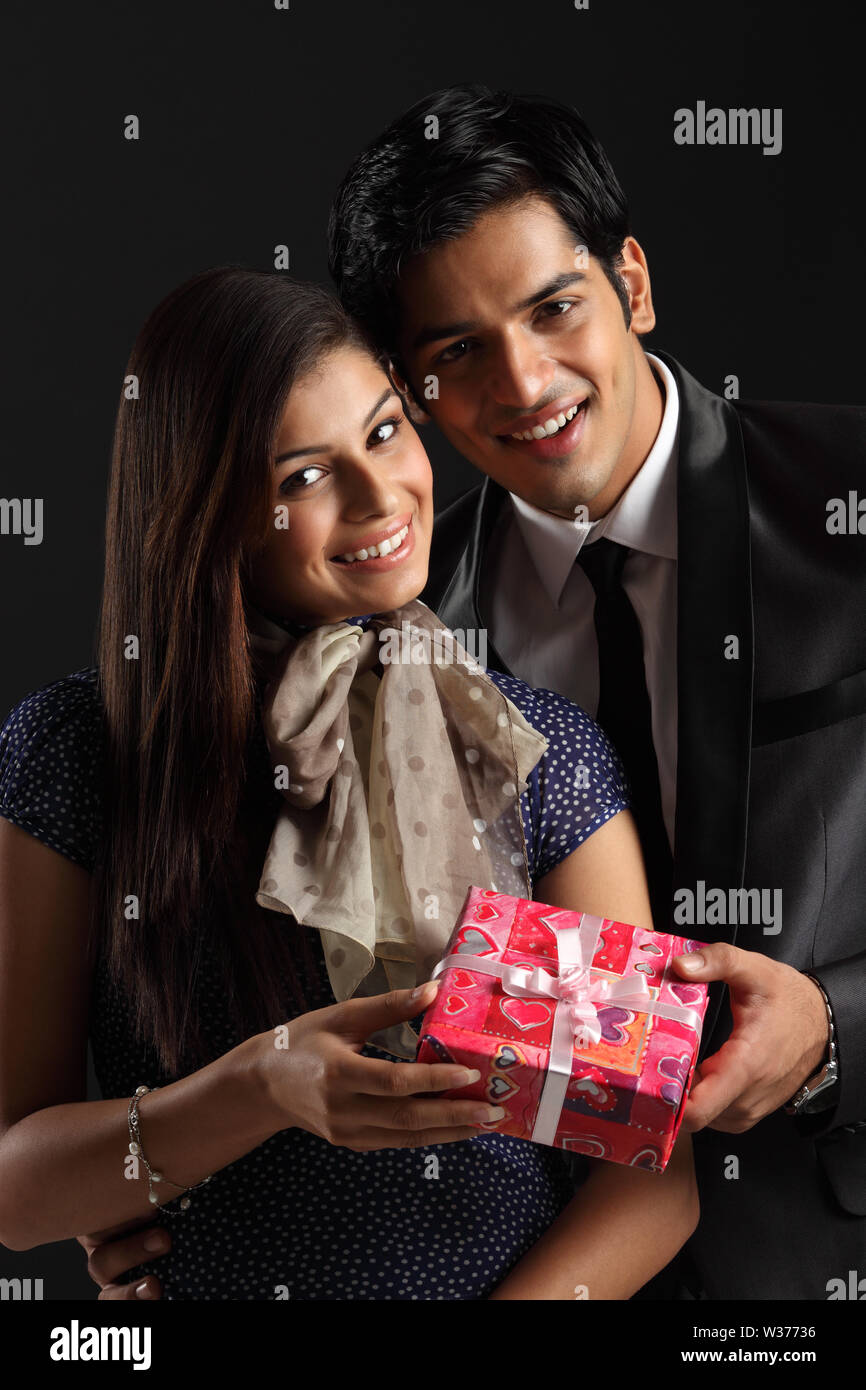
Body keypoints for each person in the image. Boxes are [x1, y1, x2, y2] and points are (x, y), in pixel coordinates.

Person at [0, 267, 699, 1301]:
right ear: (212, 521)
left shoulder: (535, 752)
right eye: (301, 478)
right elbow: (18, 1191)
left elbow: (648, 1180)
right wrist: (260, 1085)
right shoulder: (79, 751)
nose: (380, 497)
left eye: (381, 433)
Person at [322, 85, 866, 1299]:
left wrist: (835, 1029)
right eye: (454, 351)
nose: (521, 383)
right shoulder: (387, 640)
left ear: (631, 283)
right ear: (408, 389)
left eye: (553, 308)